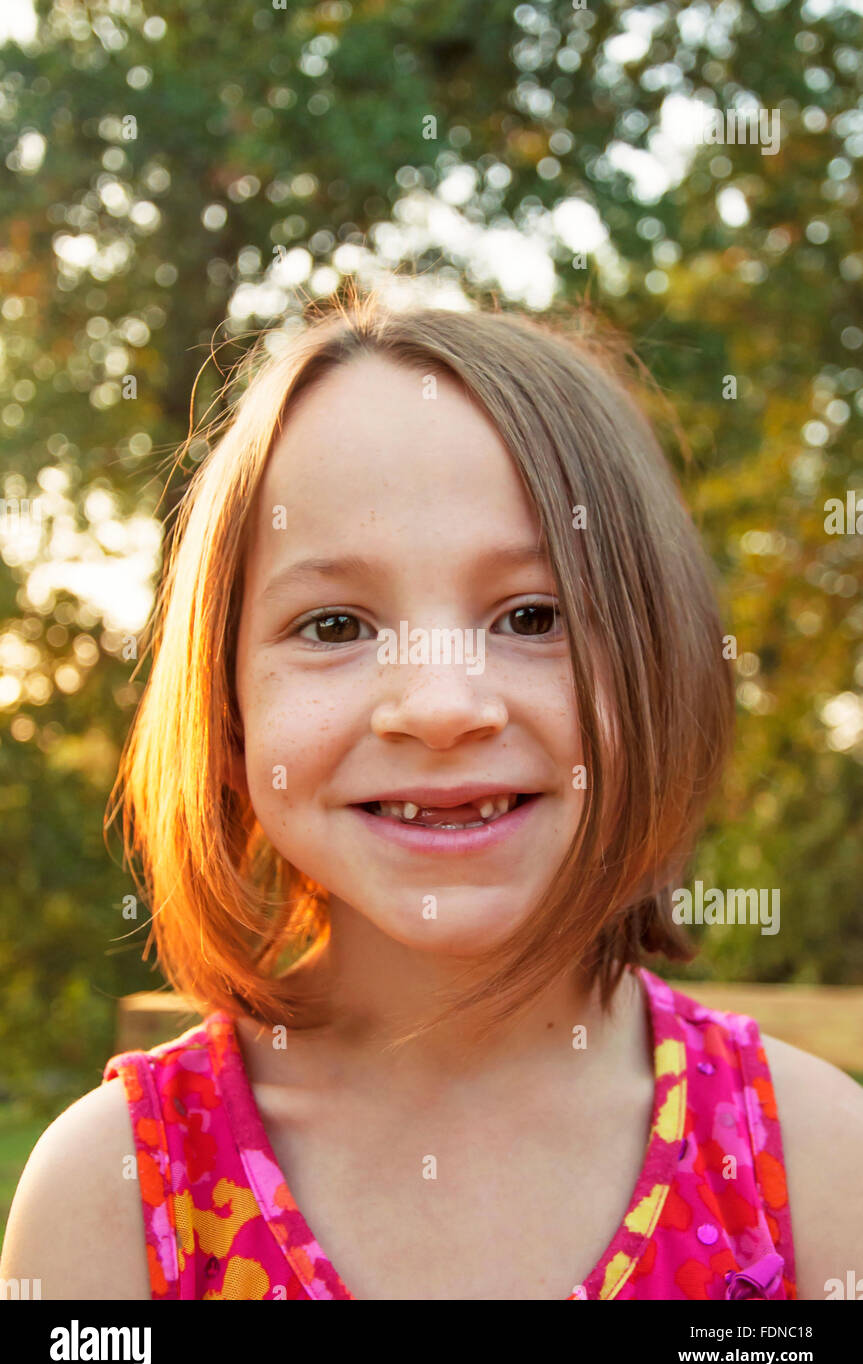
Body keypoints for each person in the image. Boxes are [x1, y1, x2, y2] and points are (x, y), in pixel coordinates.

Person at [3, 288, 861, 1300]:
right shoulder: (115, 1193)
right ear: (227, 719)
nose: (442, 707)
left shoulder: (809, 1168)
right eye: (333, 625)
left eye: (531, 613)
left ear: (663, 672)